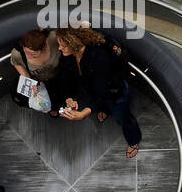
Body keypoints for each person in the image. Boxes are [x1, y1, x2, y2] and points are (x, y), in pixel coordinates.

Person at [55, 27, 142, 158]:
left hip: (115, 94)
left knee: (124, 118)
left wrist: (83, 114)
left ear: (74, 43)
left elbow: (102, 91)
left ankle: (133, 140)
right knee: (99, 105)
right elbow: (65, 77)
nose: (59, 49)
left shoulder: (99, 57)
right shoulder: (68, 56)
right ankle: (104, 110)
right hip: (92, 90)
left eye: (63, 45)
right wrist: (69, 98)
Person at [9, 28, 63, 114]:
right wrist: (28, 80)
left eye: (33, 54)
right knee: (48, 101)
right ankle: (53, 109)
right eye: (27, 52)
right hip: (39, 81)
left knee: (61, 94)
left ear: (44, 46)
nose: (29, 56)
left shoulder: (53, 39)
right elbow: (17, 63)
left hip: (59, 75)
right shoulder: (17, 53)